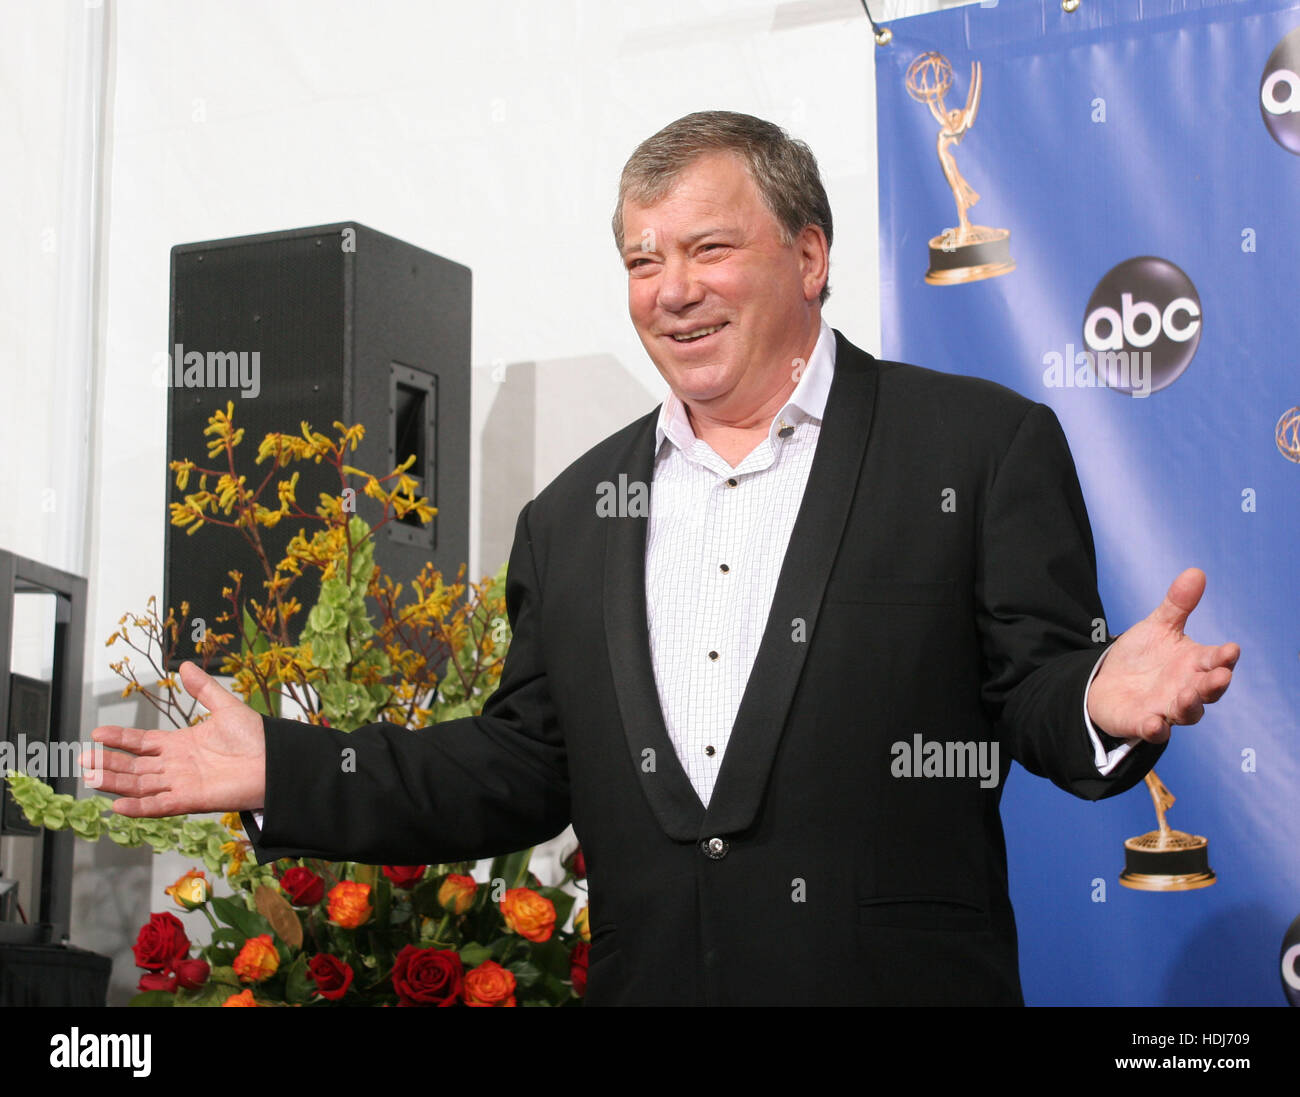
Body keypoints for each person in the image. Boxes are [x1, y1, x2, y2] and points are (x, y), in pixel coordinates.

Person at [88, 111, 1239, 1005]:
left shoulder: (977, 445)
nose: (670, 289)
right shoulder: (575, 511)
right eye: (642, 260)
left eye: (706, 248)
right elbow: (516, 767)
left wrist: (1098, 695)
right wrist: (287, 771)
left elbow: (1037, 687)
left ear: (808, 253)